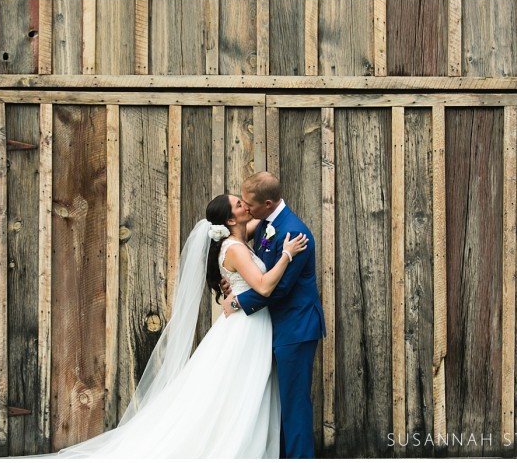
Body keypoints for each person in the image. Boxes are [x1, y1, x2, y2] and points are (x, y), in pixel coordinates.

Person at [21, 194, 307, 459]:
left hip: (247, 324)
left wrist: (272, 207)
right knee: (240, 388)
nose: (246, 204)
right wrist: (287, 254)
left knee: (241, 388)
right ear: (230, 220)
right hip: (246, 328)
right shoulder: (234, 248)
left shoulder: (239, 237)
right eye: (239, 204)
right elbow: (264, 287)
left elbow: (266, 216)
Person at [222, 172, 326, 459]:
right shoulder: (268, 224)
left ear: (267, 204)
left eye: (248, 204)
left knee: (294, 402)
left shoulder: (294, 234)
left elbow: (277, 290)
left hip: (296, 327)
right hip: (273, 327)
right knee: (274, 401)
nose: (245, 208)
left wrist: (237, 303)